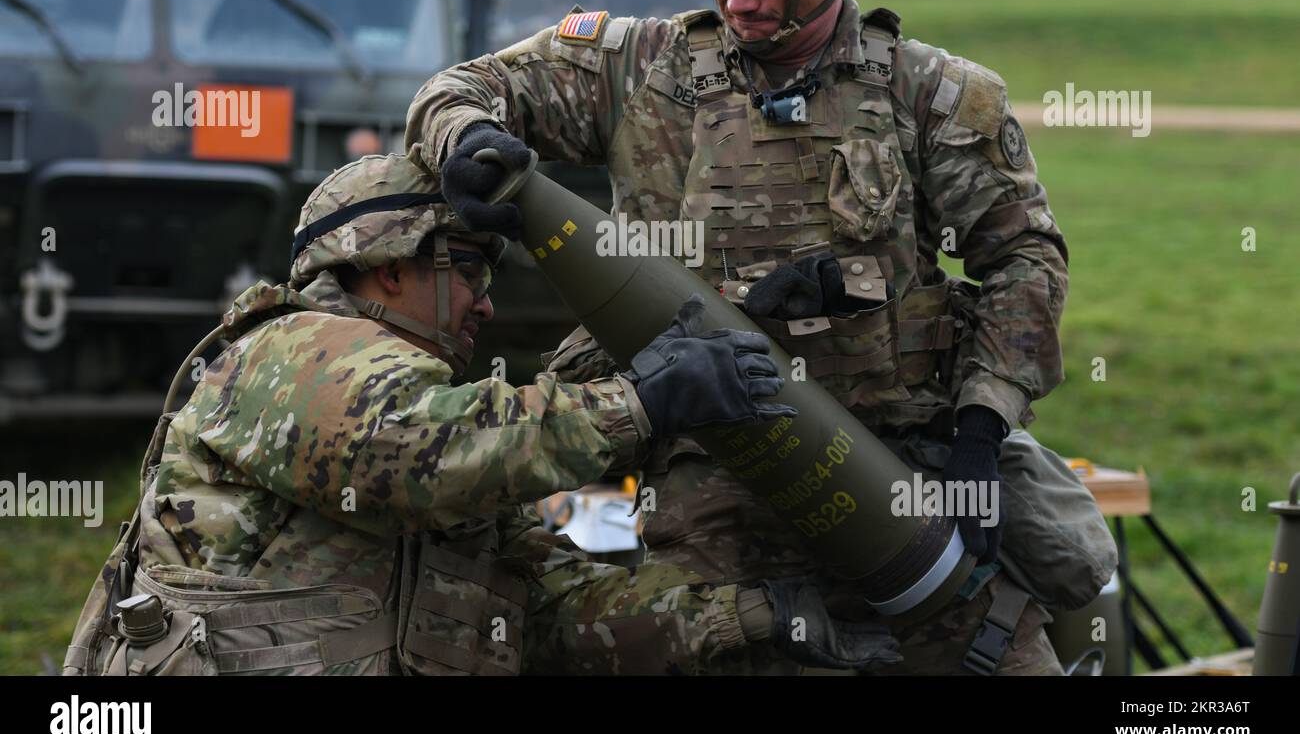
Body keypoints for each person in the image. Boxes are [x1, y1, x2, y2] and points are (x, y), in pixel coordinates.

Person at [406, 0, 1115, 675]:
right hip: (716, 508)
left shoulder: (934, 97)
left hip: (904, 482)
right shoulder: (637, 71)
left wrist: (981, 425)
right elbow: (464, 86)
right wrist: (466, 135)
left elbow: (1024, 259)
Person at [64, 154, 900, 676]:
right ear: (388, 264)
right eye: (467, 270)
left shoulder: (436, 427)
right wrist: (641, 402)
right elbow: (419, 453)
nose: (485, 304)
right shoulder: (287, 352)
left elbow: (549, 608)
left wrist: (754, 617)